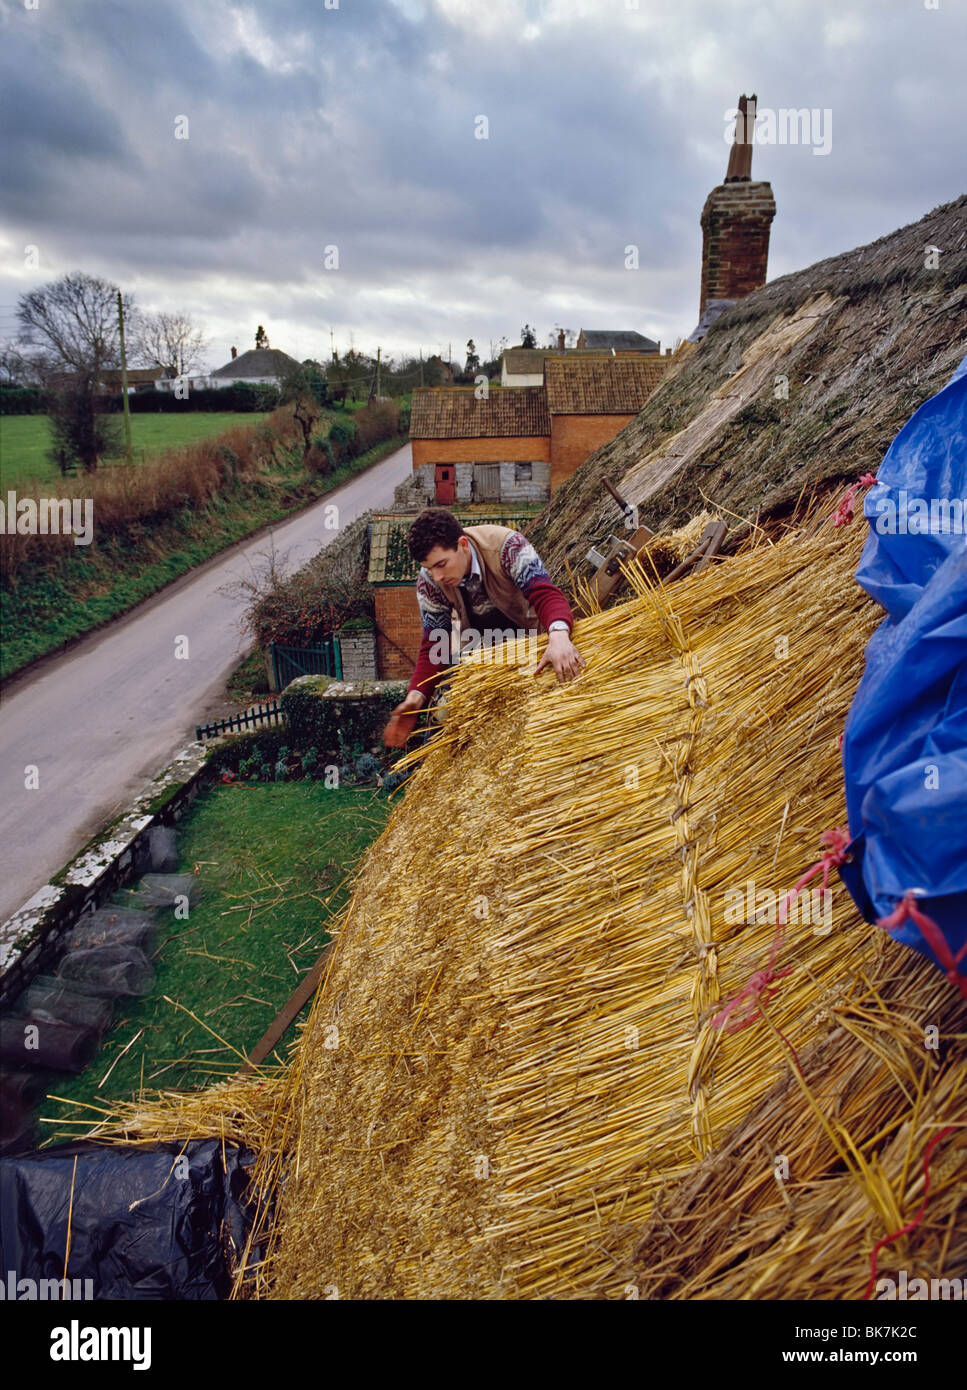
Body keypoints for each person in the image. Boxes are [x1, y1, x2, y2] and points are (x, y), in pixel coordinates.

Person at [387, 508, 585, 733]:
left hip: (532, 644)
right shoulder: (430, 581)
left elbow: (545, 594)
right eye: (428, 568)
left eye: (441, 564)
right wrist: (416, 696)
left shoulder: (507, 547)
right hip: (486, 659)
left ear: (462, 545)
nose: (437, 577)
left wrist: (558, 637)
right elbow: (435, 643)